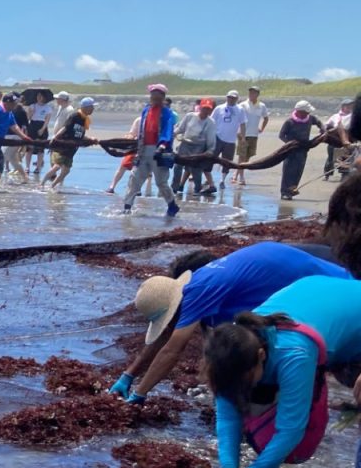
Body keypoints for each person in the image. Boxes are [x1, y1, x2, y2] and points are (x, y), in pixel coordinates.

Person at [109, 242, 351, 401]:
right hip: (288, 274)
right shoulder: (198, 285)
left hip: (322, 280)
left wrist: (140, 394)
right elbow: (166, 336)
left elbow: (172, 349)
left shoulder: (199, 289)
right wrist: (129, 375)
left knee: (334, 351)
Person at [201, 275, 361, 468]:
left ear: (262, 356)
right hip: (319, 296)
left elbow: (291, 429)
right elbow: (227, 413)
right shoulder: (230, 346)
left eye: (244, 380)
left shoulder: (294, 354)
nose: (239, 387)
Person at [123, 84, 179, 215]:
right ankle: (127, 207)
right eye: (153, 96)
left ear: (163, 98)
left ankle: (172, 205)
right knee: (135, 178)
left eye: (158, 97)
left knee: (161, 182)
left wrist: (163, 145)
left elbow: (167, 130)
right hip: (143, 149)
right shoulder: (146, 110)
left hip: (159, 150)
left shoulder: (167, 113)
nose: (155, 99)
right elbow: (142, 128)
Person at [41, 95, 93, 190]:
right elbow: (65, 127)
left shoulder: (85, 120)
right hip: (64, 145)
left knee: (66, 171)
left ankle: (53, 186)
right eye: (91, 107)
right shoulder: (75, 116)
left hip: (73, 148)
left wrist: (90, 139)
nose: (93, 109)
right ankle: (42, 184)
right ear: (85, 107)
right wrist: (55, 137)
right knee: (57, 166)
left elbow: (79, 134)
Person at [171, 98, 218, 199]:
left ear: (211, 110)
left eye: (208, 109)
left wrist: (210, 150)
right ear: (200, 107)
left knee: (196, 169)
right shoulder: (190, 116)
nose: (206, 111)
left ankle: (197, 189)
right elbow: (181, 128)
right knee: (178, 166)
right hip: (185, 144)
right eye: (204, 108)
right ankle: (174, 188)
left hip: (198, 147)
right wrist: (173, 133)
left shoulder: (211, 122)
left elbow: (211, 138)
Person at [278, 100, 323, 199]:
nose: (308, 113)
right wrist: (289, 144)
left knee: (298, 170)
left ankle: (292, 190)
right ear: (299, 112)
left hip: (303, 149)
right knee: (288, 171)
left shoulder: (310, 119)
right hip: (290, 150)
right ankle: (284, 192)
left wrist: (323, 129)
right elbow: (281, 135)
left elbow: (319, 122)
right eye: (306, 112)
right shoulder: (289, 122)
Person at [235, 84, 270, 186]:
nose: (251, 94)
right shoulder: (243, 105)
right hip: (243, 134)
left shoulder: (261, 106)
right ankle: (241, 177)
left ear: (257, 94)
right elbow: (237, 118)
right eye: (250, 92)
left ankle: (236, 173)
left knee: (248, 157)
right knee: (242, 156)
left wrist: (262, 128)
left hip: (254, 134)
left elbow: (266, 118)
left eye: (254, 92)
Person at [210, 90, 246, 188]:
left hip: (231, 140)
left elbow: (242, 123)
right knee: (211, 159)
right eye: (229, 97)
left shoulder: (240, 109)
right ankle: (209, 179)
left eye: (233, 98)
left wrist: (243, 137)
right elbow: (211, 121)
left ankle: (222, 180)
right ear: (226, 97)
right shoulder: (219, 108)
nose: (231, 99)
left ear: (237, 99)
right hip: (218, 137)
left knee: (227, 162)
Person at [324, 100, 353, 179]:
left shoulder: (353, 117)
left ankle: (343, 175)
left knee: (345, 158)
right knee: (331, 158)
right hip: (335, 141)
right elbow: (326, 127)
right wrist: (334, 129)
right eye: (348, 106)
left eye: (351, 106)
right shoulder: (335, 116)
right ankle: (327, 174)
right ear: (343, 107)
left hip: (347, 141)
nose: (350, 107)